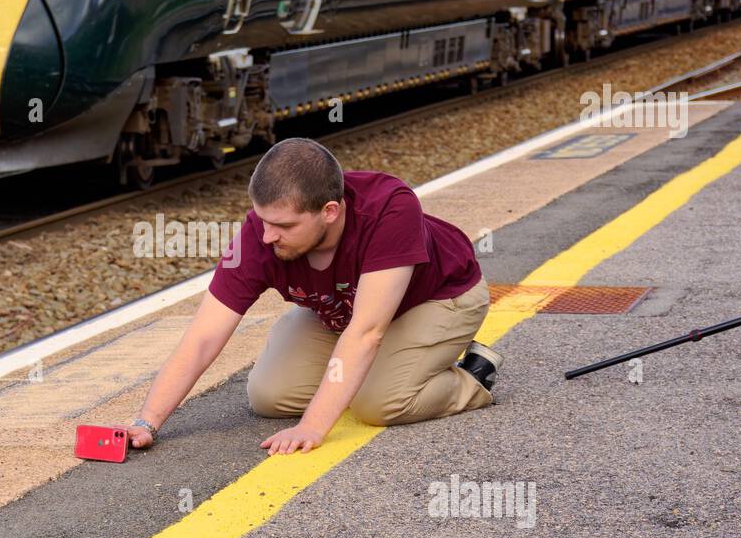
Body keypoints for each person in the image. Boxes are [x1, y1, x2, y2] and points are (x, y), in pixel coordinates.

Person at [125, 138, 502, 455]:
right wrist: (147, 422)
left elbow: (368, 331)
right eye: (262, 220)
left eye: (284, 225)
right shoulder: (263, 232)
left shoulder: (391, 207)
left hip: (436, 299)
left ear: (330, 211)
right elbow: (203, 335)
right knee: (269, 396)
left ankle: (473, 377)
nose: (267, 236)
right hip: (344, 310)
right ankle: (371, 370)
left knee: (379, 403)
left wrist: (313, 427)